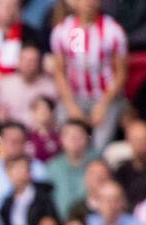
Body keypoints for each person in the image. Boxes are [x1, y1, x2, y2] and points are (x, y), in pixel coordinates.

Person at [49, 0, 129, 148]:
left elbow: (121, 73)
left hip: (104, 96)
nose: (89, 2)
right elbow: (59, 72)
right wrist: (70, 105)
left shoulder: (113, 30)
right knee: (66, 137)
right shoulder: (63, 30)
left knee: (100, 144)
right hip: (74, 96)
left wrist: (103, 104)